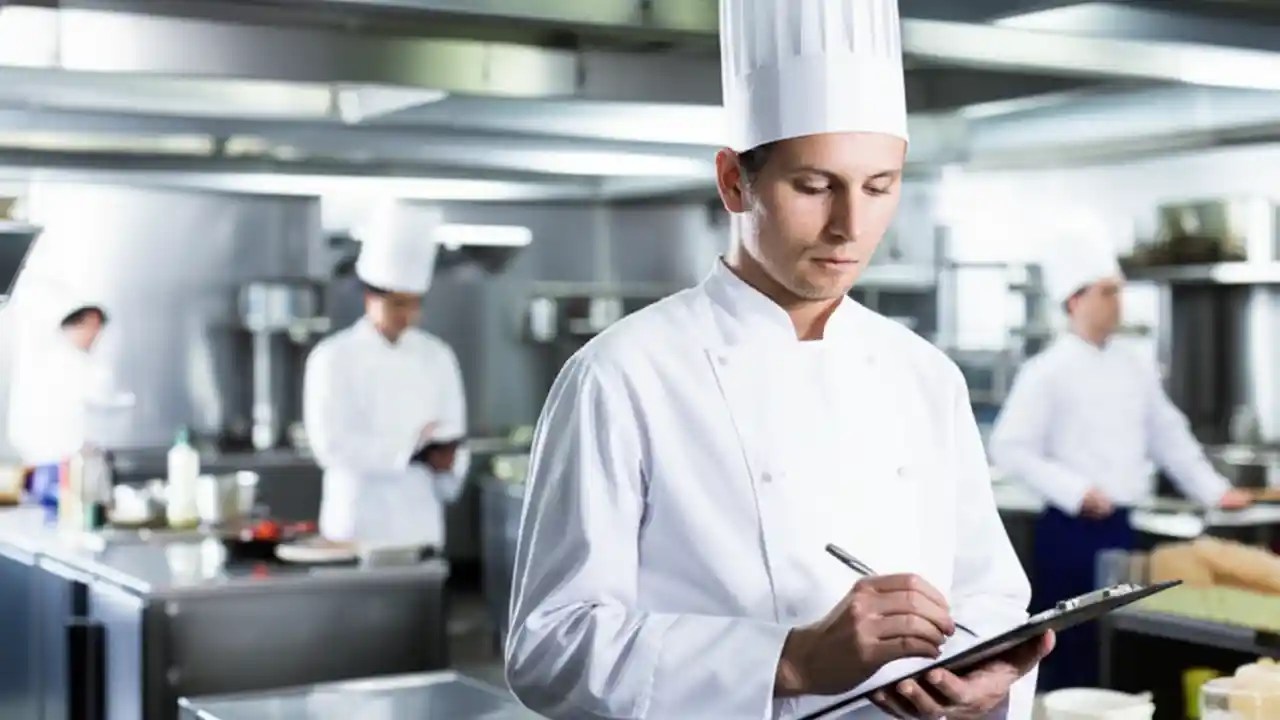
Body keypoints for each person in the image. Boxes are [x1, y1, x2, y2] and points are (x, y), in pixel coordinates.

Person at [504, 1, 1052, 718]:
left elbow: (986, 594)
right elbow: (550, 646)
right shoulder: (623, 375)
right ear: (734, 181)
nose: (850, 226)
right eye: (815, 186)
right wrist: (789, 661)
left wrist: (987, 677)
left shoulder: (924, 375)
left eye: (879, 187)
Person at [988, 231, 1252, 691]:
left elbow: (1169, 435)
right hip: (1070, 531)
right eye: (1107, 292)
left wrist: (1215, 491)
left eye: (1119, 292)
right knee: (1070, 650)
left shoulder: (1133, 364)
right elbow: (1009, 447)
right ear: (1075, 301)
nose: (1118, 303)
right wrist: (1076, 491)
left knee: (1119, 650)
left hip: (1122, 527)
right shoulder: (1046, 371)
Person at [303, 201, 469, 549]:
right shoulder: (332, 357)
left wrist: (447, 463)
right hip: (357, 523)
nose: (407, 314)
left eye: (414, 303)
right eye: (397, 303)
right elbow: (330, 446)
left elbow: (454, 433)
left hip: (420, 523)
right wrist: (409, 450)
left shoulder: (437, 356)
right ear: (369, 297)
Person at [8, 284, 128, 510]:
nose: (97, 336)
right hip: (61, 471)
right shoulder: (72, 365)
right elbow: (109, 405)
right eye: (96, 328)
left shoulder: (48, 360)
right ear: (88, 321)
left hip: (47, 471)